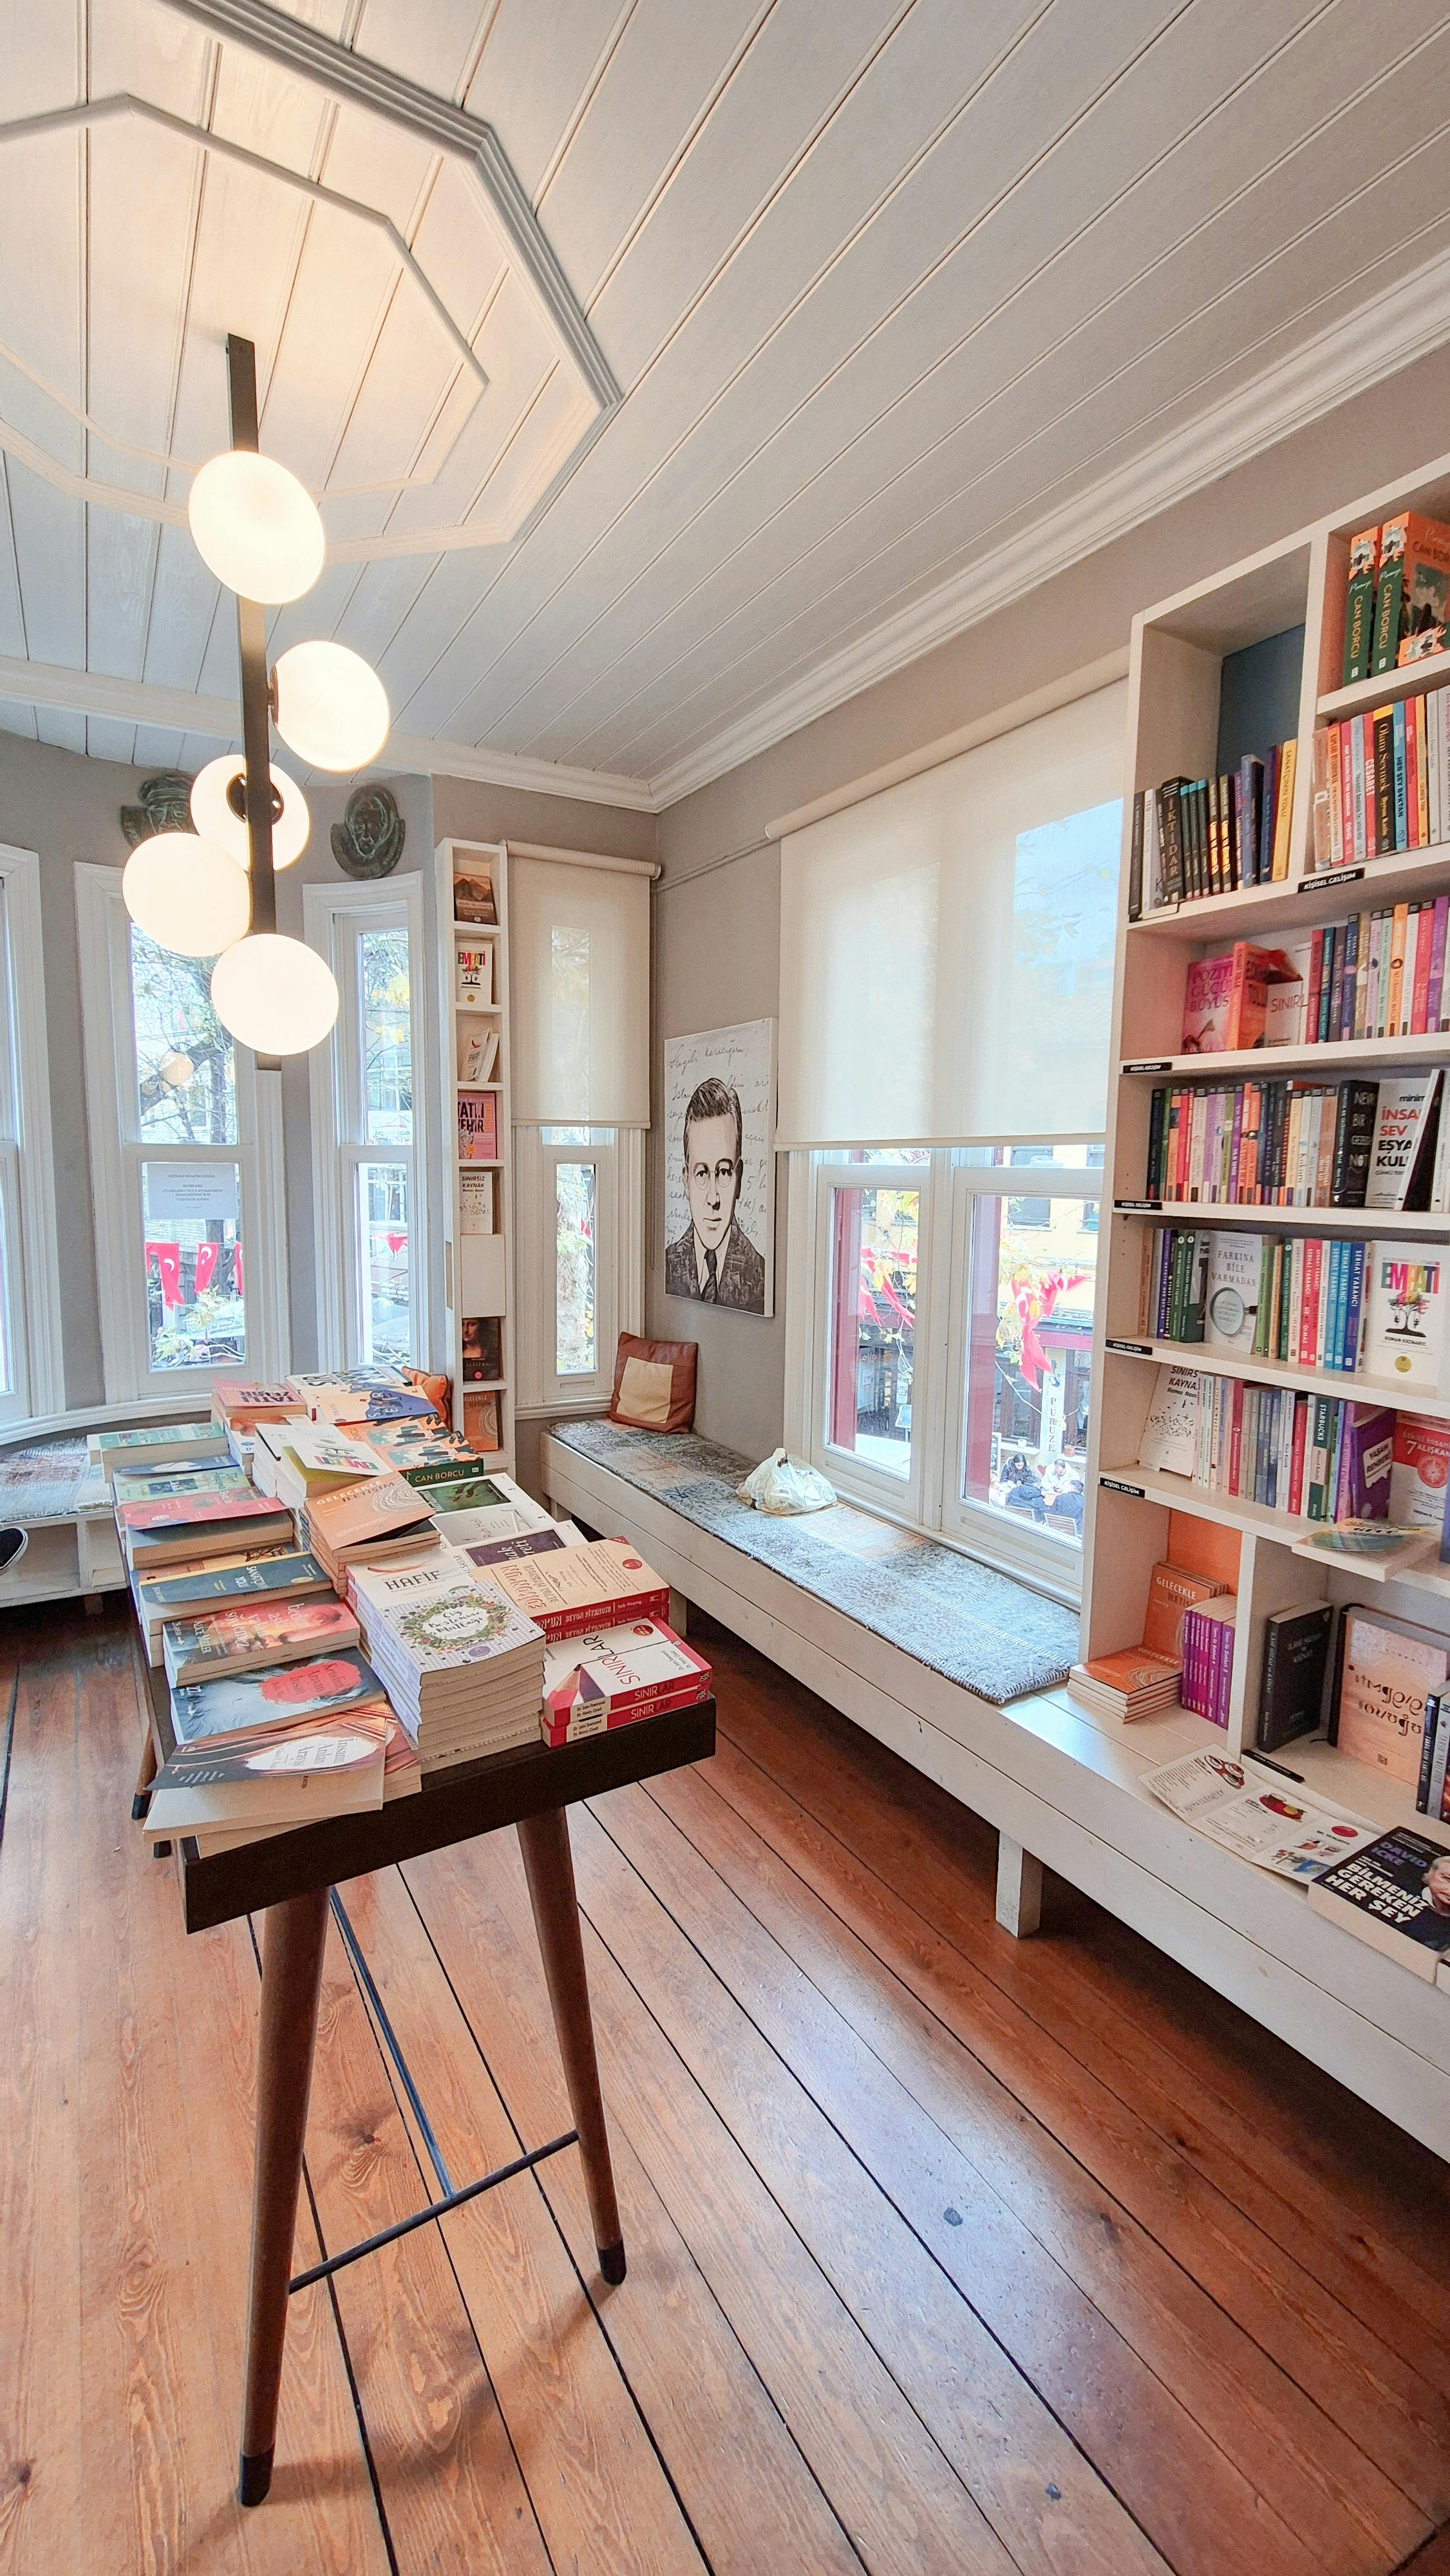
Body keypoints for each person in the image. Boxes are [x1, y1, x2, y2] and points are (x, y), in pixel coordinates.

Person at [665, 1076, 767, 1311]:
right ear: (686, 1179)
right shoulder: (668, 1265)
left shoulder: (761, 1276)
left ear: (738, 1178)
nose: (713, 1199)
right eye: (701, 1173)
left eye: (723, 1172)